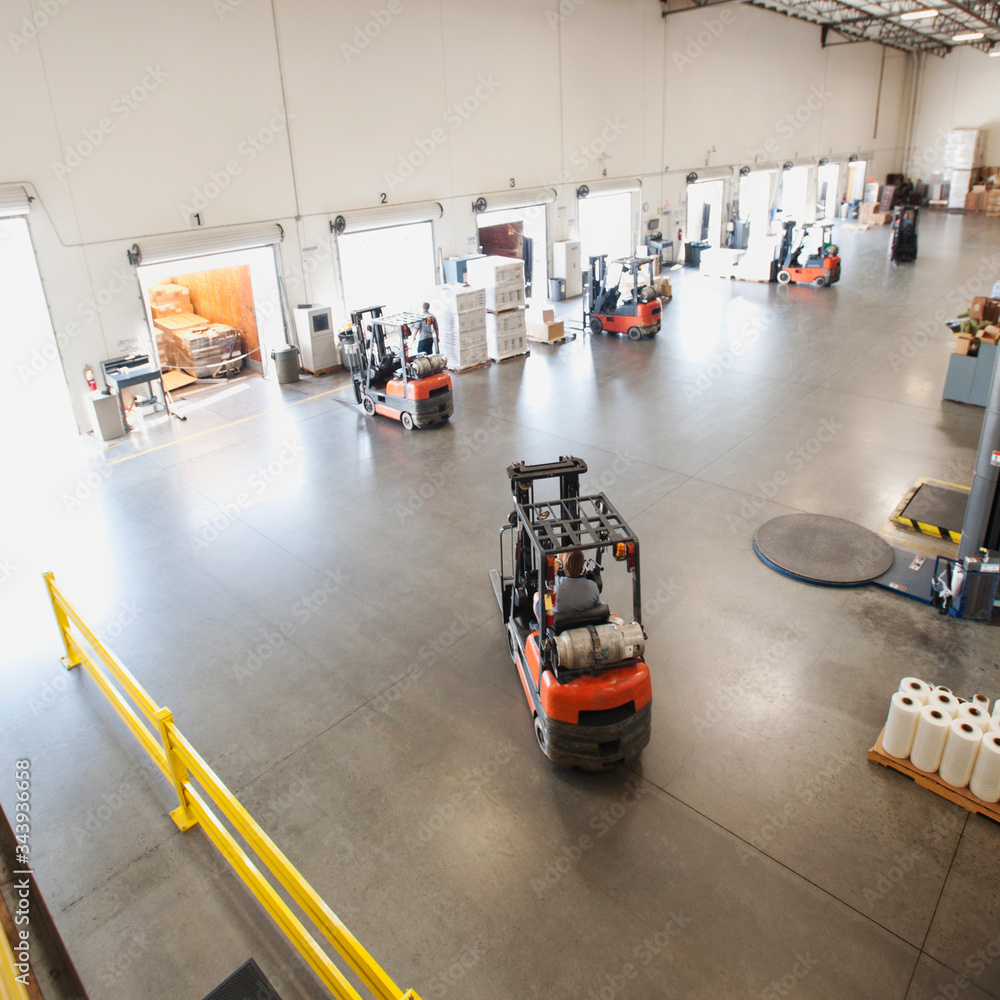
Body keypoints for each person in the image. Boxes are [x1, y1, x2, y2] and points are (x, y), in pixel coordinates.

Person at [533, 549, 602, 623]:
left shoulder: (557, 585)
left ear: (564, 566)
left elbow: (550, 575)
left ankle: (543, 628)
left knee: (538, 595)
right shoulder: (593, 586)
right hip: (585, 624)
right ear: (582, 565)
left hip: (559, 625)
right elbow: (597, 608)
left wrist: (559, 560)